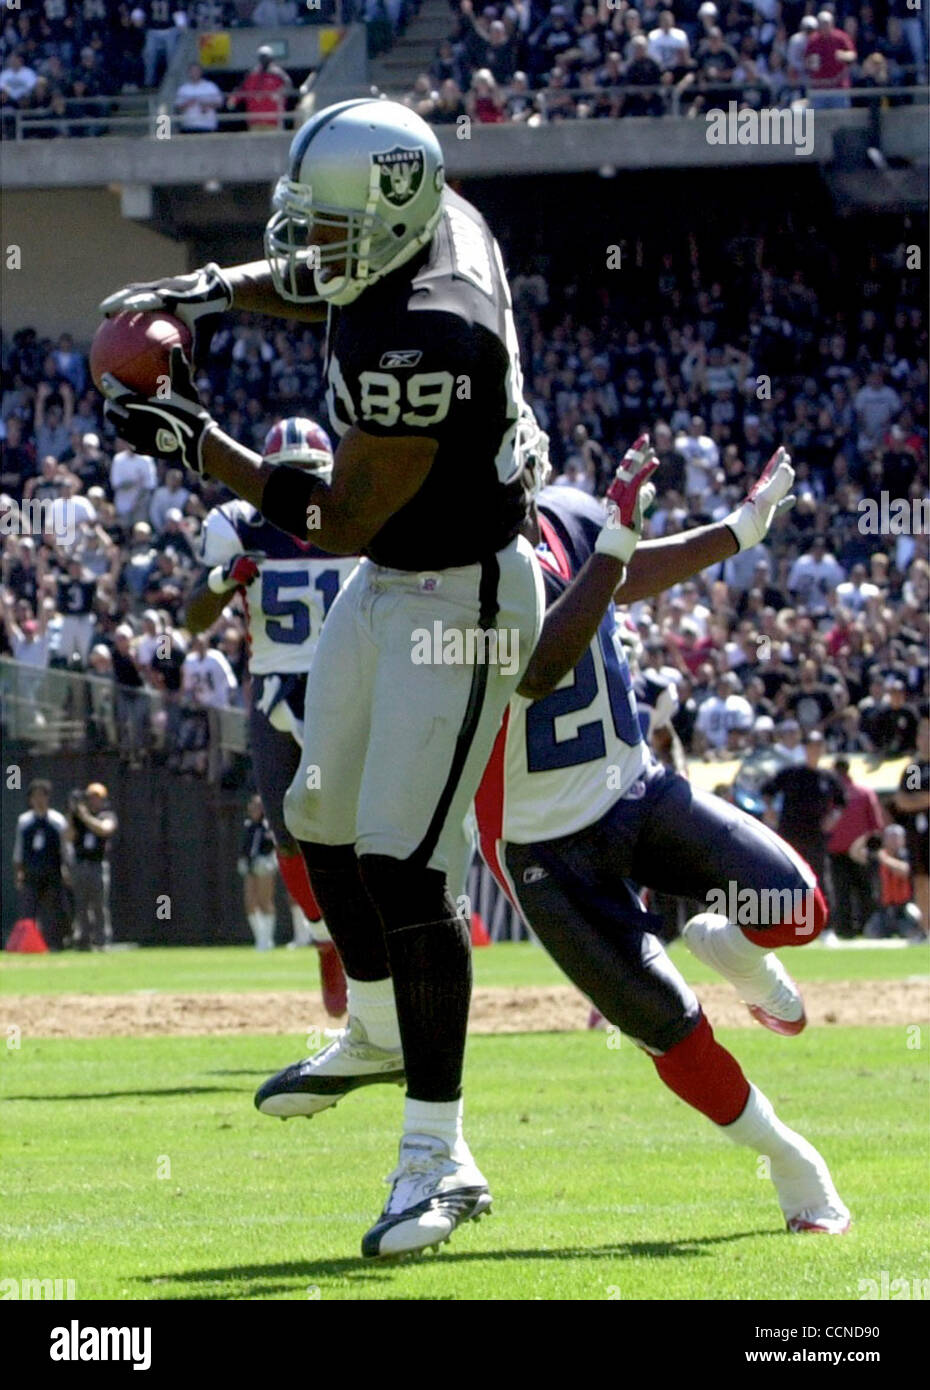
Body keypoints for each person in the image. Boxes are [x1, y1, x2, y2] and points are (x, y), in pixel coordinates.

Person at [100, 99, 549, 1260]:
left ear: (394, 208)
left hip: (462, 594)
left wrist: (196, 443)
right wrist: (210, 289)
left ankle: (438, 1153)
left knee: (406, 862)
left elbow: (341, 518)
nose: (315, 247)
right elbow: (326, 274)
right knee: (318, 821)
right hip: (402, 573)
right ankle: (380, 1029)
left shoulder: (429, 335)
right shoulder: (432, 219)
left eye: (337, 225)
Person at [257, 440, 850, 1236]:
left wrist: (737, 531)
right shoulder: (443, 580)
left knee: (798, 908)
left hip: (636, 790)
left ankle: (732, 947)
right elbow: (537, 663)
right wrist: (610, 551)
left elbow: (628, 573)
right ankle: (791, 1160)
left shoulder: (564, 513)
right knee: (668, 1027)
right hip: (543, 856)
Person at [186, 417, 355, 1014]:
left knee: (375, 829)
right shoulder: (239, 525)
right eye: (288, 477)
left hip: (356, 685)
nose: (301, 489)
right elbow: (191, 619)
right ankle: (324, 939)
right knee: (288, 831)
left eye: (310, 477)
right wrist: (219, 579)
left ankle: (381, 953)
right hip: (277, 689)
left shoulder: (362, 517)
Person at [761, 732, 846, 897]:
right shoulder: (791, 773)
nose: (815, 750)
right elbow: (767, 790)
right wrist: (769, 809)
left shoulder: (828, 777)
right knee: (788, 877)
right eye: (811, 746)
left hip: (816, 837)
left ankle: (819, 918)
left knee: (817, 879)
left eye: (818, 746)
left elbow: (841, 801)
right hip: (790, 834)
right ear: (805, 748)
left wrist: (834, 816)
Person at [826, 757, 884, 938]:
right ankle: (867, 928)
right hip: (856, 851)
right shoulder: (864, 793)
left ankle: (846, 931)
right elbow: (877, 825)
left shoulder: (830, 796)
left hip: (843, 851)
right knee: (864, 892)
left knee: (843, 893)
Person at [12, 780, 71, 951]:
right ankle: (26, 945)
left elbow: (65, 849)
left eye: (42, 795)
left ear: (48, 797)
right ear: (30, 799)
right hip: (31, 873)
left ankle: (56, 944)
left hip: (53, 872)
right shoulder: (24, 821)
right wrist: (19, 873)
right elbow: (19, 850)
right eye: (35, 795)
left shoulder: (57, 820)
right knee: (28, 910)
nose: (39, 799)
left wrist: (66, 869)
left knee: (55, 910)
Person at [67, 782, 118, 950]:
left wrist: (85, 817)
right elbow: (68, 836)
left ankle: (102, 939)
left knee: (99, 904)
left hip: (97, 864)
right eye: (90, 798)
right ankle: (82, 939)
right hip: (80, 864)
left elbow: (104, 829)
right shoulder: (79, 818)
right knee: (81, 904)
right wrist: (73, 814)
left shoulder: (107, 815)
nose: (93, 801)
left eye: (97, 798)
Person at [893, 712, 930, 936]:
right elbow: (905, 800)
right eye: (923, 735)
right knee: (922, 879)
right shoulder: (916, 769)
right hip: (920, 834)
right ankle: (926, 928)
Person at [238, 794, 279, 950]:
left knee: (265, 901)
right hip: (250, 865)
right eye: (252, 806)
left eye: (258, 807)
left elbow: (272, 846)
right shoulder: (248, 826)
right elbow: (245, 847)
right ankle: (260, 937)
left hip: (264, 865)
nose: (254, 809)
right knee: (250, 903)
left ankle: (267, 939)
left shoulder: (268, 825)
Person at [227, 46, 293, 131]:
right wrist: (234, 99)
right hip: (255, 120)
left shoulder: (278, 74)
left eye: (266, 57)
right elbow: (242, 89)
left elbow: (288, 87)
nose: (264, 60)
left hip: (273, 120)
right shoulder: (253, 75)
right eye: (262, 57)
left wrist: (279, 94)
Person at [174, 62, 222, 133]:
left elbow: (219, 103)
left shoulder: (210, 86)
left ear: (201, 72)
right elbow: (177, 106)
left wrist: (207, 105)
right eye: (192, 71)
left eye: (196, 71)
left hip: (207, 125)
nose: (194, 73)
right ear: (189, 73)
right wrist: (188, 103)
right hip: (189, 126)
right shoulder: (183, 89)